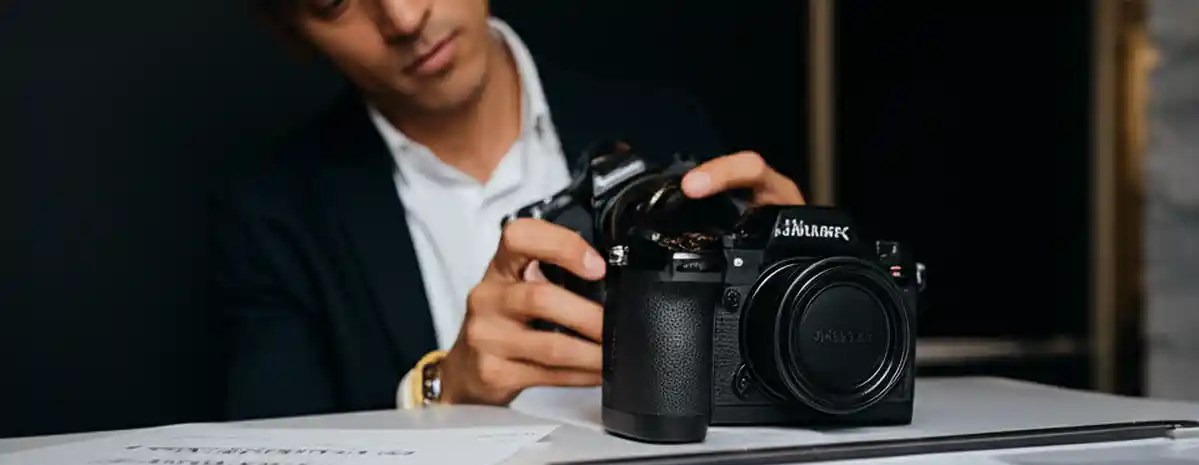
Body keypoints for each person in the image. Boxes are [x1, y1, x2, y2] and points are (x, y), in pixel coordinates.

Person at [213, 0, 804, 420]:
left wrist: (791, 299)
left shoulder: (669, 123)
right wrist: (443, 392)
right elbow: (274, 462)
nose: (402, 16)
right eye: (334, 2)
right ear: (294, 32)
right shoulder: (276, 211)